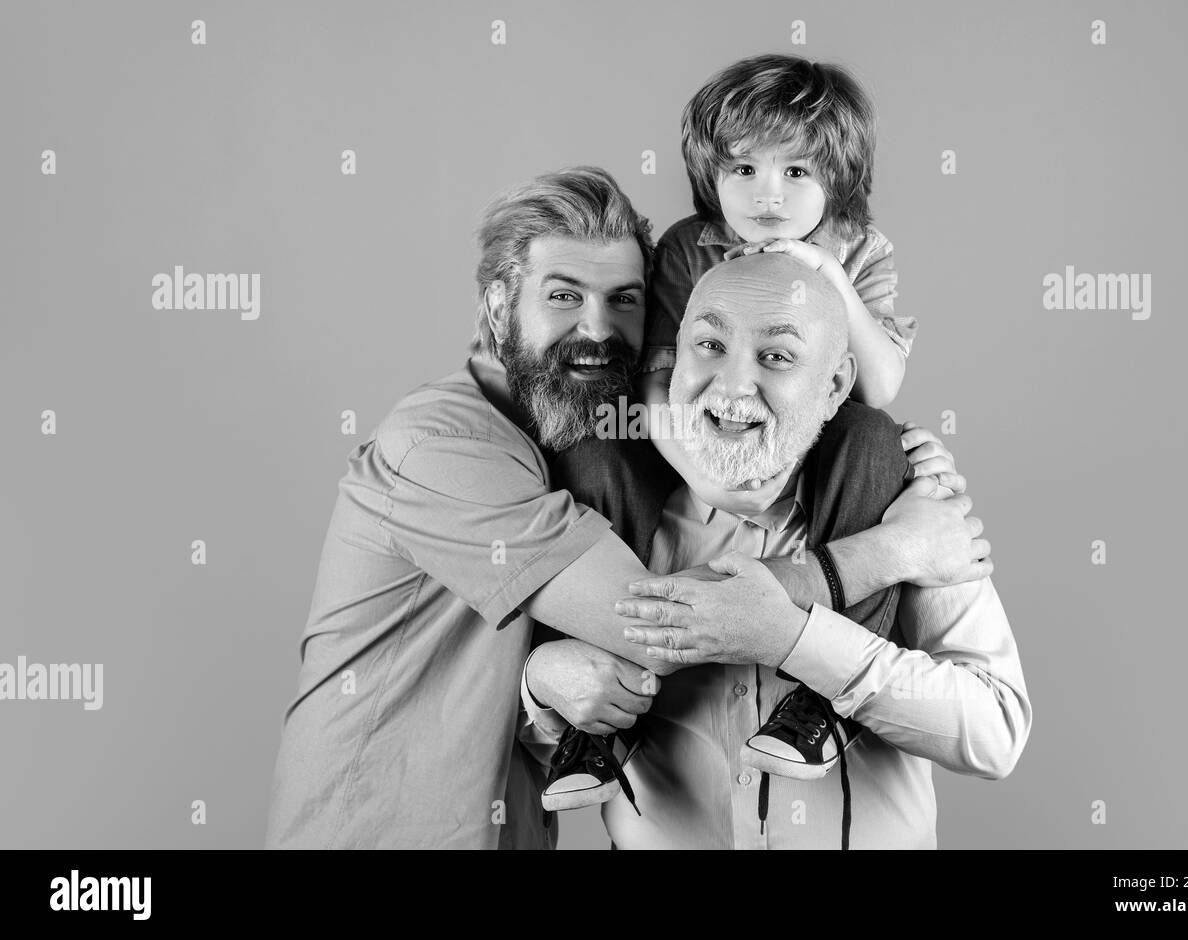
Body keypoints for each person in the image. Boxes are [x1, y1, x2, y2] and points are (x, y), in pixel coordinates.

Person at [264, 167, 985, 848]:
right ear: (495, 305)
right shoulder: (446, 448)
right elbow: (656, 626)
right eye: (563, 296)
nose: (598, 329)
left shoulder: (584, 443)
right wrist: (895, 551)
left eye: (625, 300)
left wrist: (540, 682)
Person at [523, 253, 1031, 848]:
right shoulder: (598, 507)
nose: (734, 385)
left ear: (836, 383)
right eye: (709, 345)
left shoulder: (901, 503)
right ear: (671, 361)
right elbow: (497, 724)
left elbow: (995, 732)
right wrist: (541, 685)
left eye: (777, 357)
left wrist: (794, 640)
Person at [541, 53, 937, 802]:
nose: (766, 195)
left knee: (875, 438)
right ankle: (601, 707)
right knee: (602, 436)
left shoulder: (859, 252)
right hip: (691, 435)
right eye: (744, 169)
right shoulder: (691, 247)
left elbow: (878, 385)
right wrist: (704, 476)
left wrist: (834, 284)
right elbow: (661, 378)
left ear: (838, 179)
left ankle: (821, 703)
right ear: (709, 174)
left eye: (796, 173)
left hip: (812, 443)